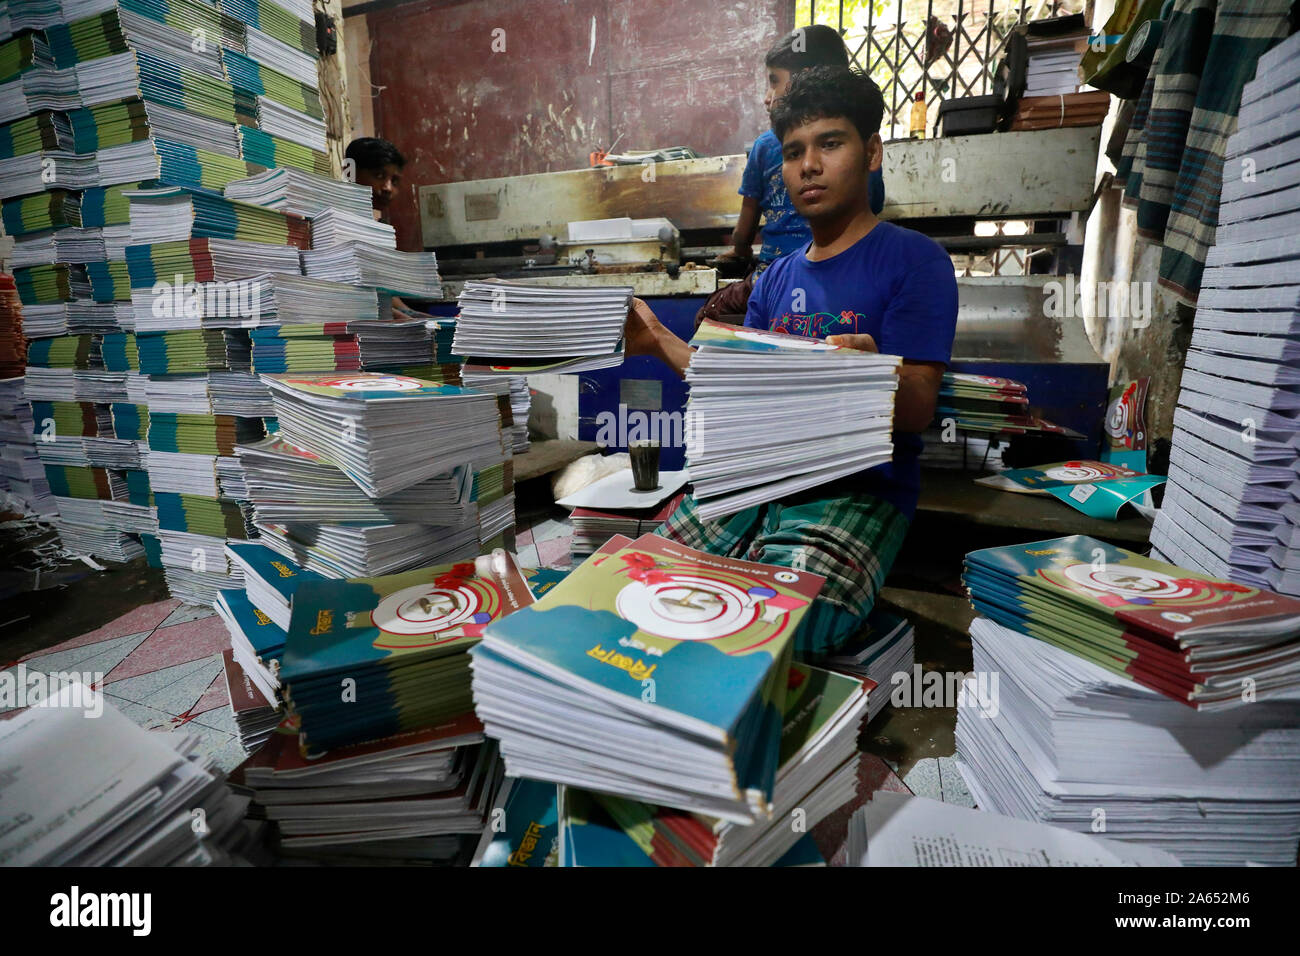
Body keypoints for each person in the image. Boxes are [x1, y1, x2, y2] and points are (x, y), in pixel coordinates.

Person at [627, 66, 958, 661]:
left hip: (860, 490)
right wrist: (658, 344)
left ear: (872, 152)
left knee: (785, 625)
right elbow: (740, 393)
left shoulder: (916, 262)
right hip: (759, 480)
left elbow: (918, 409)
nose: (809, 165)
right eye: (794, 151)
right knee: (642, 590)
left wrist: (873, 370)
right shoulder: (775, 279)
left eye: (830, 143)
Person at [700, 25, 886, 327]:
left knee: (708, 316)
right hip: (843, 266)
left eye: (775, 82)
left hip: (774, 270)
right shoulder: (857, 144)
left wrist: (740, 250)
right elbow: (875, 203)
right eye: (793, 153)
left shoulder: (764, 146)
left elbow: (744, 229)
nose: (767, 97)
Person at [345, 136, 424, 319]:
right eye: (379, 176)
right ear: (349, 172)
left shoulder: (377, 230)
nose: (388, 188)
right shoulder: (333, 226)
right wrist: (403, 318)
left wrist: (412, 315)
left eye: (394, 181)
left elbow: (383, 294)